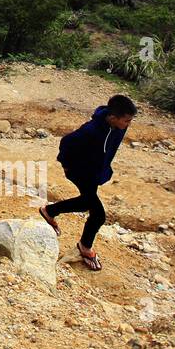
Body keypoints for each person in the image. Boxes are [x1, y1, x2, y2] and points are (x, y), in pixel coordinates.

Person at [39, 95, 138, 272]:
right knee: (98, 215)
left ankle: (50, 211)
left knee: (86, 202)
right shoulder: (91, 130)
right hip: (79, 172)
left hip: (94, 173)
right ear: (114, 118)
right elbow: (66, 142)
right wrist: (67, 165)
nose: (128, 124)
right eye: (127, 121)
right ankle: (84, 248)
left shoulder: (118, 127)